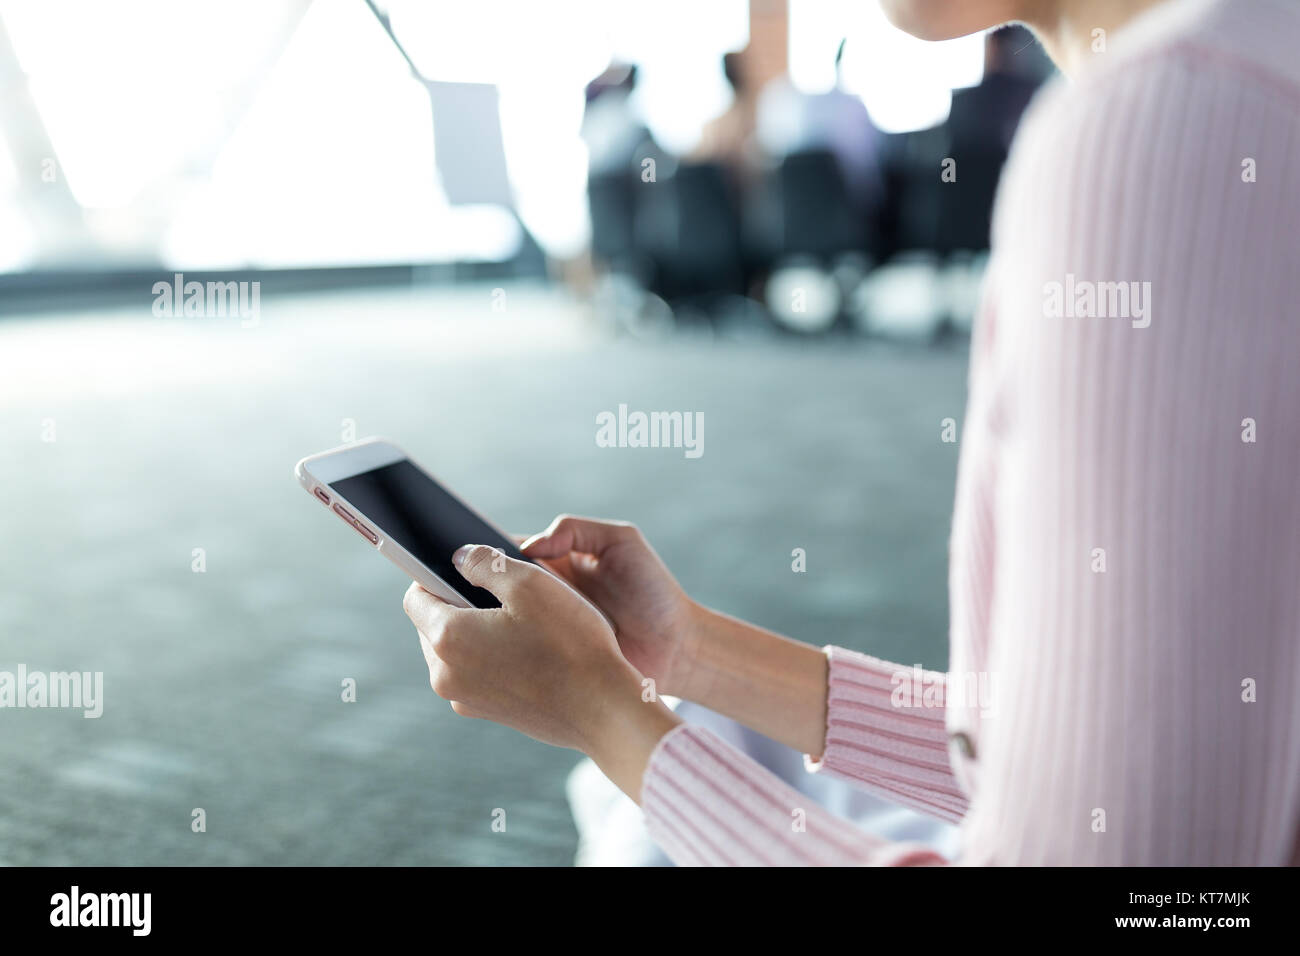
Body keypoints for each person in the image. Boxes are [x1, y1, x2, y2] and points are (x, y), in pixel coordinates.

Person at [402, 0, 1300, 866]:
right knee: (703, 741)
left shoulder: (1175, 117)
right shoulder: (1242, 67)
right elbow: (1080, 753)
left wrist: (603, 716)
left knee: (639, 817)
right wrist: (691, 651)